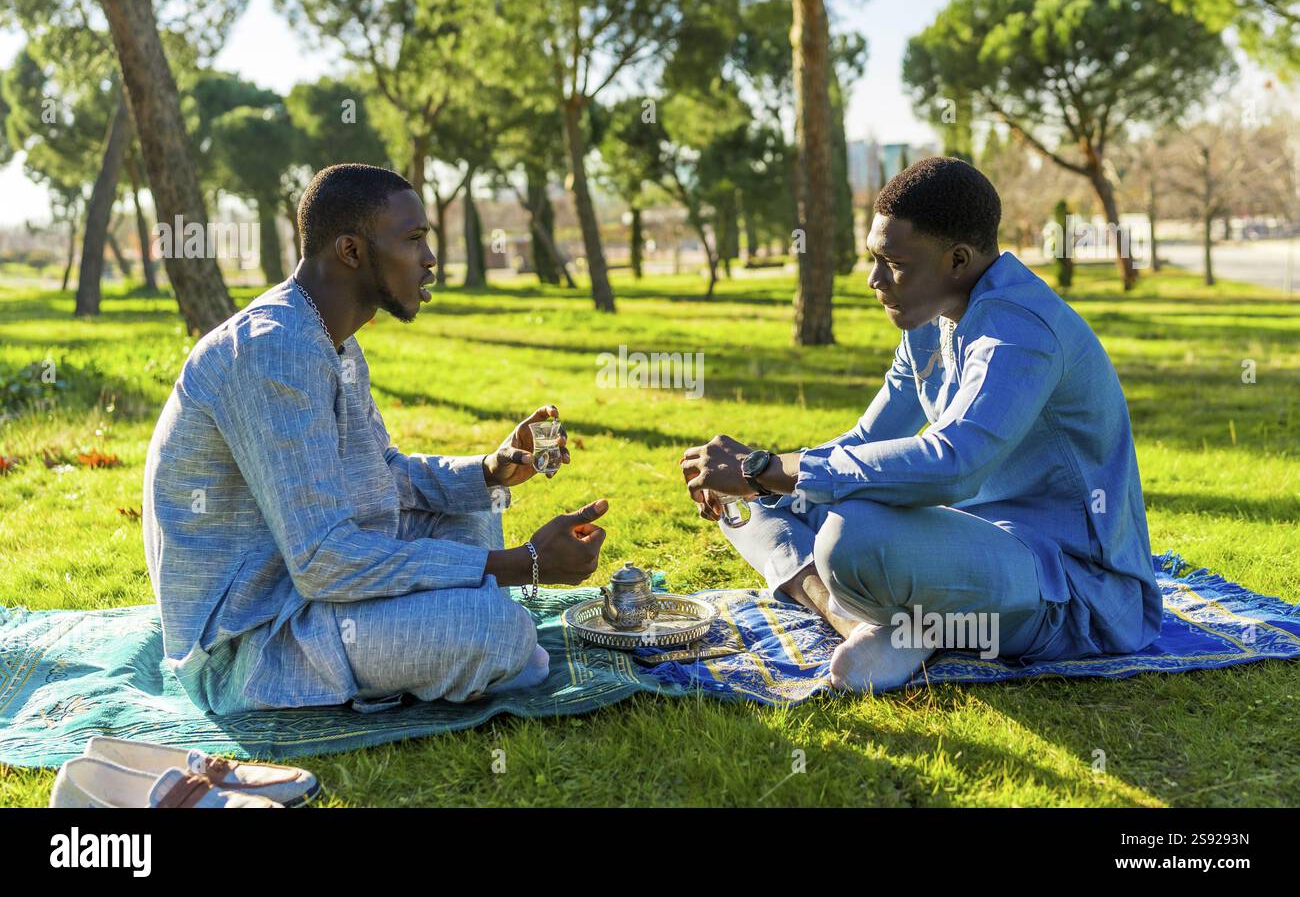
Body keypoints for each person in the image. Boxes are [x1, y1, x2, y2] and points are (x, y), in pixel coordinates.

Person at [680, 157, 1161, 694]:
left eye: (894, 262)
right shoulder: (932, 323)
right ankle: (860, 622)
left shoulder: (1021, 331)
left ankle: (903, 622)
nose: (873, 279)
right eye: (874, 259)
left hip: (1071, 590)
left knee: (851, 536)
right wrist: (756, 481)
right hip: (964, 552)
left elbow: (954, 464)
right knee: (746, 509)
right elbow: (865, 443)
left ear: (957, 259)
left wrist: (765, 468)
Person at [142, 163, 608, 715]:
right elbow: (322, 561)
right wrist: (521, 564)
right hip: (256, 637)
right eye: (413, 241)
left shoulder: (329, 338)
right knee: (497, 630)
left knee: (470, 514)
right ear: (351, 251)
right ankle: (471, 639)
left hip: (309, 591)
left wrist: (491, 470)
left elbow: (381, 474)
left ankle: (458, 636)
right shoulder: (275, 350)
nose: (430, 260)